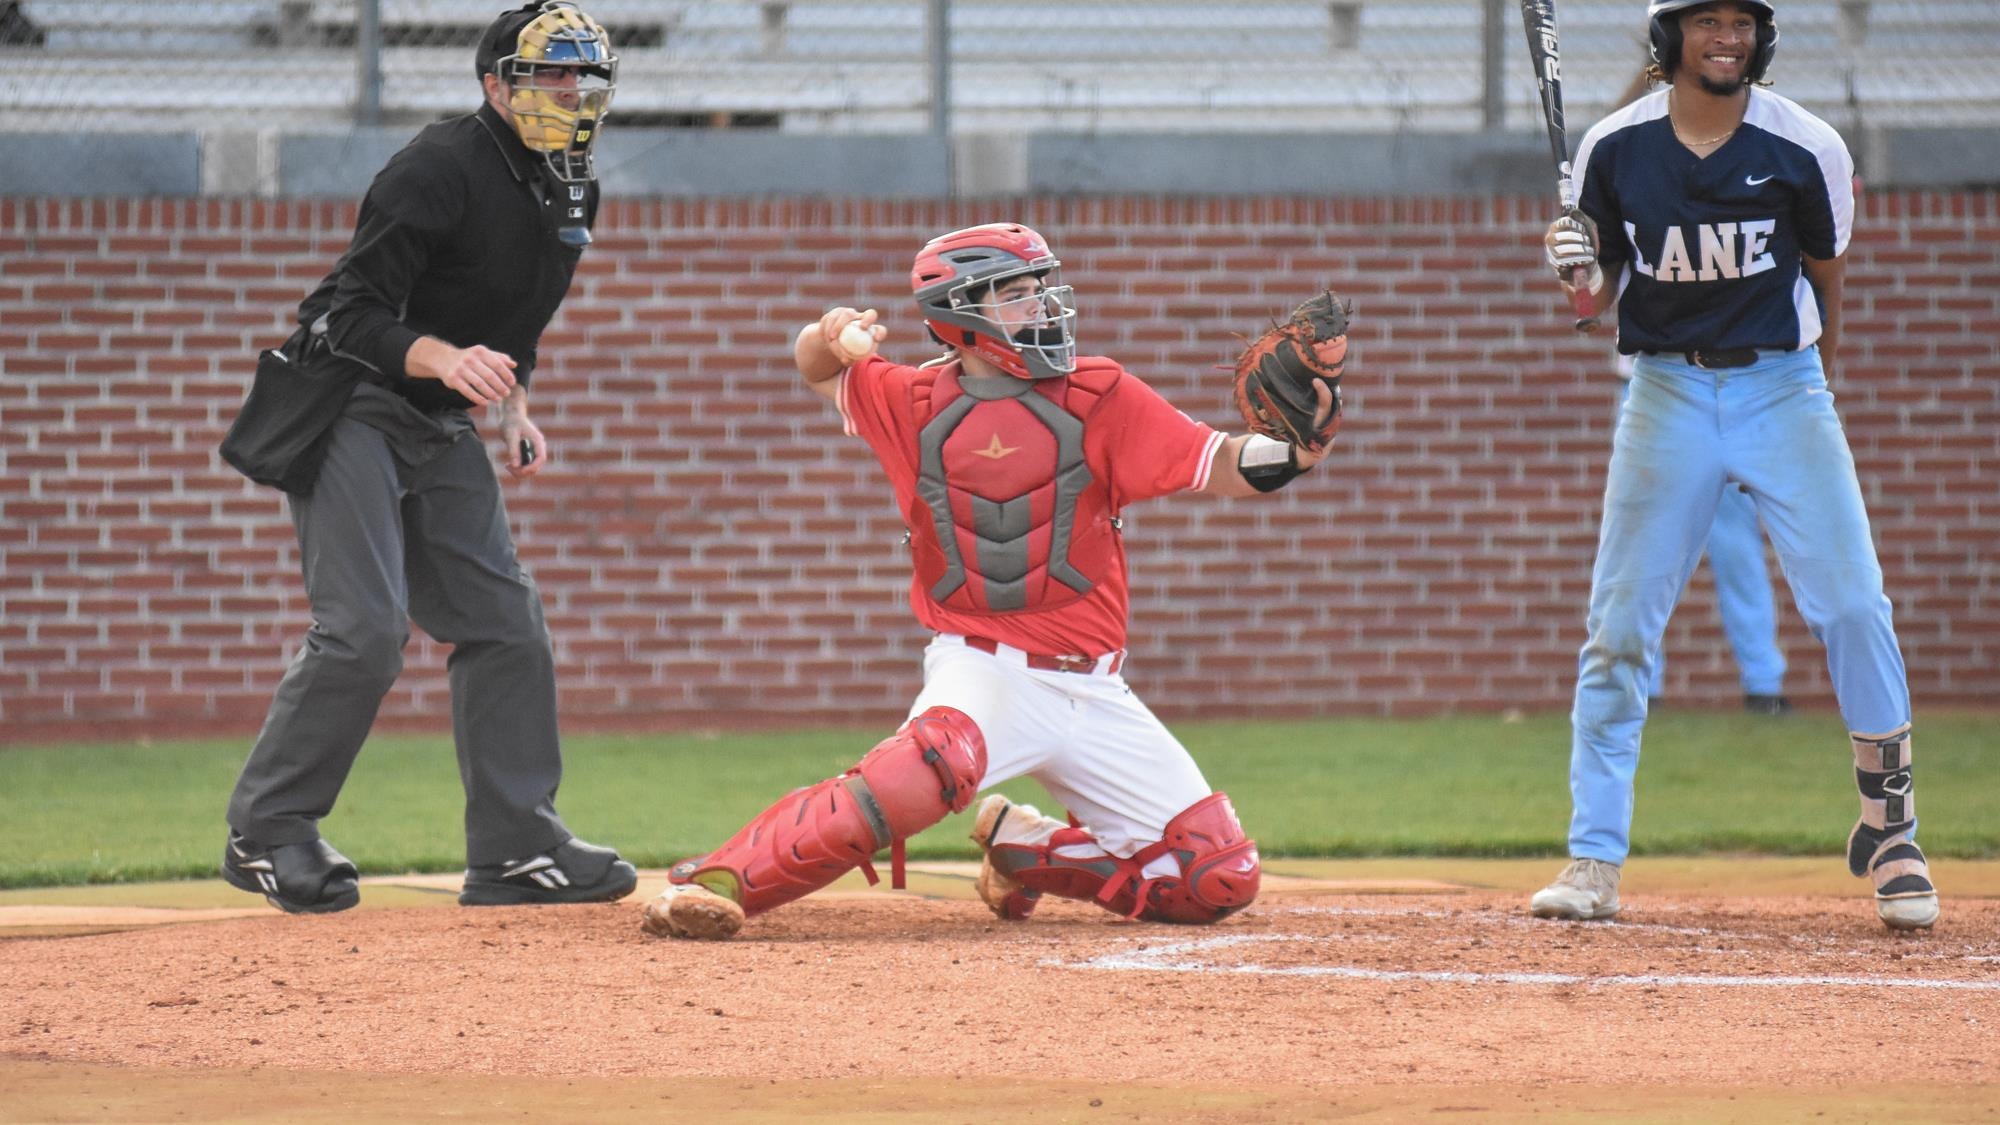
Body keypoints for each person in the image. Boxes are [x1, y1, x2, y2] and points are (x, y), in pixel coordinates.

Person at [639, 222, 1341, 940]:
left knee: (1213, 880)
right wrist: (829, 334)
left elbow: (1224, 465)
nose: (1041, 308)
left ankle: (1023, 848)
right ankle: (718, 882)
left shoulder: (1100, 393)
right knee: (923, 767)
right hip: (983, 667)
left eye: (1041, 290)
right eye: (1015, 295)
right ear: (960, 316)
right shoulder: (911, 400)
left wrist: (1300, 449)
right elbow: (815, 365)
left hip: (1095, 688)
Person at [220, 1, 636, 914]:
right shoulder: (437, 166)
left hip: (439, 420)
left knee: (503, 620)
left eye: (583, 74)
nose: (571, 90)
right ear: (496, 84)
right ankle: (268, 830)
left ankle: (517, 847)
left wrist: (512, 405)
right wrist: (446, 358)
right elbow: (343, 312)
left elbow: (511, 320)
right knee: (366, 630)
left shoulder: (573, 182)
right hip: (352, 404)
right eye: (549, 73)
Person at [1532, 0, 1935, 930]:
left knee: (1852, 603)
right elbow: (1593, 302)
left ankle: (1894, 828)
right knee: (1619, 626)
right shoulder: (1614, 148)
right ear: (1668, 37)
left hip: (1783, 390)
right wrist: (1571, 266)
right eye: (1706, 20)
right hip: (1664, 395)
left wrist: (1806, 400)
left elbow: (1828, 286)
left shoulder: (1807, 146)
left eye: (1743, 21)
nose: (1729, 37)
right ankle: (1593, 859)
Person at [1614, 353, 1791, 714]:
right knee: (1645, 546)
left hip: (1728, 384)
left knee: (1737, 546)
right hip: (1651, 386)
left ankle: (1764, 685)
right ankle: (1641, 686)